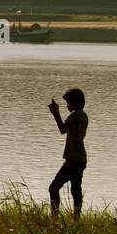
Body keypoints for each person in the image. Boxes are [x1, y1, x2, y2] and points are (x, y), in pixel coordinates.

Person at [47, 88, 88, 221]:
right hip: (81, 159)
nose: (67, 106)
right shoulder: (83, 116)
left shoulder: (74, 116)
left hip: (73, 160)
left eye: (69, 103)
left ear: (76, 103)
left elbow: (62, 129)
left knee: (53, 188)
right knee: (76, 190)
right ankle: (76, 220)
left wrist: (55, 113)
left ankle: (55, 219)